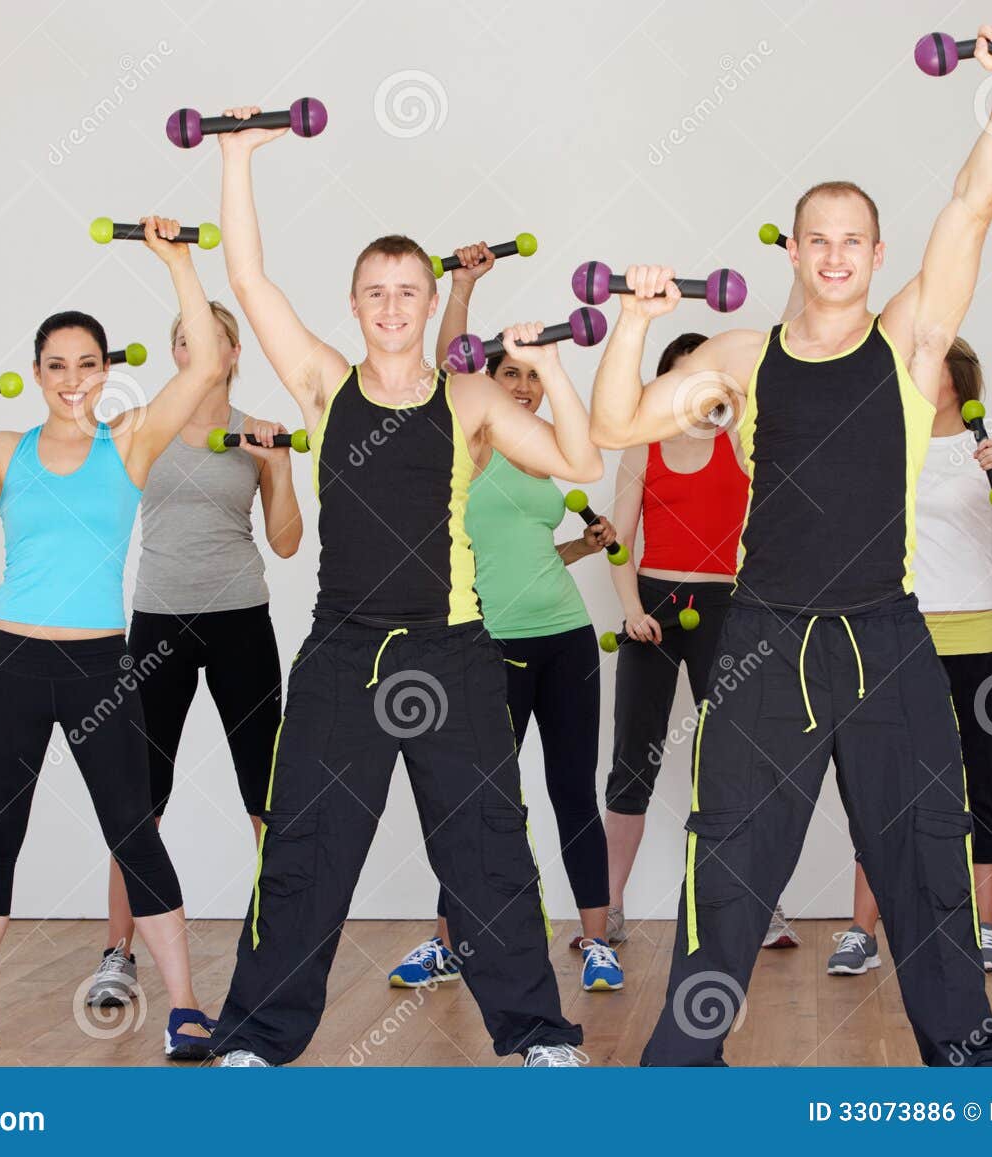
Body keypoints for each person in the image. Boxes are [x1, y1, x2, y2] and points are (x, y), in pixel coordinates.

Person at [590, 23, 992, 1067]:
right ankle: (679, 1071)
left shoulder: (909, 342)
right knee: (730, 866)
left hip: (886, 636)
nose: (835, 255)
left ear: (876, 257)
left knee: (928, 858)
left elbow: (972, 205)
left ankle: (967, 1065)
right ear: (791, 251)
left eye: (854, 240)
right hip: (767, 641)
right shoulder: (741, 357)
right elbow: (617, 427)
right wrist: (629, 320)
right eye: (817, 239)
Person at [207, 110, 599, 1068]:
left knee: (488, 850)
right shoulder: (326, 384)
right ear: (354, 304)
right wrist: (236, 158)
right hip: (342, 649)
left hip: (455, 651)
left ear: (432, 303)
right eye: (376, 291)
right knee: (304, 849)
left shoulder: (469, 397)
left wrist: (550, 364)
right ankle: (255, 1039)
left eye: (408, 291)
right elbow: (248, 282)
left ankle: (540, 1034)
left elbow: (582, 456)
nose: (392, 305)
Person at [0, 217, 225, 1061]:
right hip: (11, 663)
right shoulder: (5, 448)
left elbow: (209, 363)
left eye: (88, 364)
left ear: (108, 372)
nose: (73, 379)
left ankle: (186, 1005)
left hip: (97, 668)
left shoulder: (134, 443)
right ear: (37, 372)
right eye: (57, 365)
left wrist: (177, 261)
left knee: (133, 830)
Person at [385, 242, 624, 994]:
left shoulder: (547, 452)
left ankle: (595, 939)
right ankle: (449, 939)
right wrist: (461, 287)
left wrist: (583, 547)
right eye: (510, 373)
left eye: (532, 376)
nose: (523, 386)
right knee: (481, 798)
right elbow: (451, 367)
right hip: (488, 645)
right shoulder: (474, 437)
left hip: (566, 636)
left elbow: (529, 553)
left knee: (571, 789)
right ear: (490, 380)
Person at [86, 300, 303, 1008]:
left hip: (241, 615)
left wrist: (279, 465)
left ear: (234, 353)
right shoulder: (143, 426)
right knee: (137, 799)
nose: (199, 350)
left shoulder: (257, 430)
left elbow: (288, 540)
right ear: (178, 353)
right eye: (186, 339)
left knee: (265, 795)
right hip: (158, 622)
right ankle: (118, 952)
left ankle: (277, 948)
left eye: (213, 339)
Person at [824, 336, 992, 977]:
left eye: (929, 368)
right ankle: (861, 932)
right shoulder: (890, 439)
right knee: (882, 788)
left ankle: (982, 928)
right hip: (897, 637)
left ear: (956, 379)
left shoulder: (984, 449)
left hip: (976, 642)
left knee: (977, 782)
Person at [601, 334, 799, 950]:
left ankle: (756, 906)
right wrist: (632, 610)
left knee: (734, 760)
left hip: (727, 608)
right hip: (651, 609)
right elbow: (618, 541)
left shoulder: (743, 443)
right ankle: (606, 909)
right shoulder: (643, 444)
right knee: (635, 758)